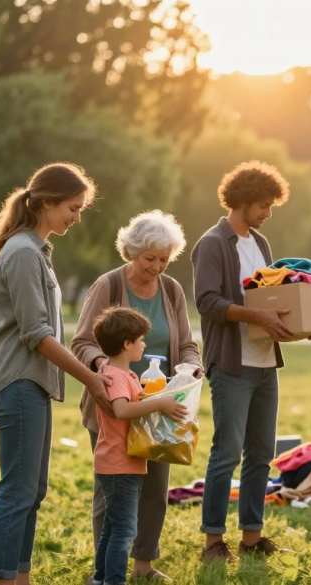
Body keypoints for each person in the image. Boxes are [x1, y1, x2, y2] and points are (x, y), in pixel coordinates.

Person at [0, 162, 112, 585]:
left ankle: (19, 576)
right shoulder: (22, 254)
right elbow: (37, 334)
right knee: (18, 492)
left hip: (32, 383)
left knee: (32, 491)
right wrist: (90, 378)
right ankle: (4, 579)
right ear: (48, 202)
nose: (76, 218)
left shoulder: (35, 250)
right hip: (18, 381)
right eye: (72, 208)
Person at [72, 210, 201, 581]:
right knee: (111, 492)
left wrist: (192, 368)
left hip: (160, 406)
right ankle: (107, 567)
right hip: (113, 404)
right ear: (132, 252)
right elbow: (82, 341)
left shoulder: (171, 290)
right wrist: (109, 372)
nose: (157, 267)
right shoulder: (108, 286)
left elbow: (187, 345)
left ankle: (143, 564)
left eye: (164, 259)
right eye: (150, 259)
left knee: (155, 487)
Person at [191, 161, 292, 562]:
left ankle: (252, 537)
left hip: (266, 362)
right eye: (264, 205)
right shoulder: (213, 243)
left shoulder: (261, 244)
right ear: (243, 201)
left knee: (262, 453)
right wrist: (257, 316)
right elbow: (207, 301)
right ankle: (213, 542)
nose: (268, 213)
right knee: (227, 452)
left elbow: (270, 296)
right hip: (232, 364)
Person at [89, 307, 187, 585]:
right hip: (119, 465)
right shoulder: (117, 376)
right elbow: (121, 410)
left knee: (112, 527)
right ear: (126, 344)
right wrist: (159, 403)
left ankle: (101, 578)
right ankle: (114, 580)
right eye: (141, 339)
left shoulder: (128, 375)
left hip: (121, 463)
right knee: (124, 530)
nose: (145, 344)